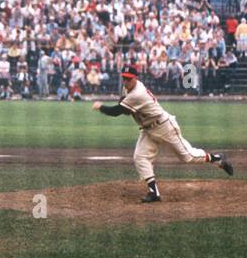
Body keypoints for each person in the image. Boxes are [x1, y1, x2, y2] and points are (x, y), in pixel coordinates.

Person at [93, 64, 232, 203]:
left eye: (129, 79)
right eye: (124, 78)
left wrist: (101, 107)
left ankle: (218, 158)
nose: (126, 82)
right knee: (140, 157)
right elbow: (125, 108)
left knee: (188, 157)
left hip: (165, 126)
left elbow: (117, 111)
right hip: (148, 129)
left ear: (135, 78)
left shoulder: (138, 93)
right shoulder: (126, 88)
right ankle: (154, 192)